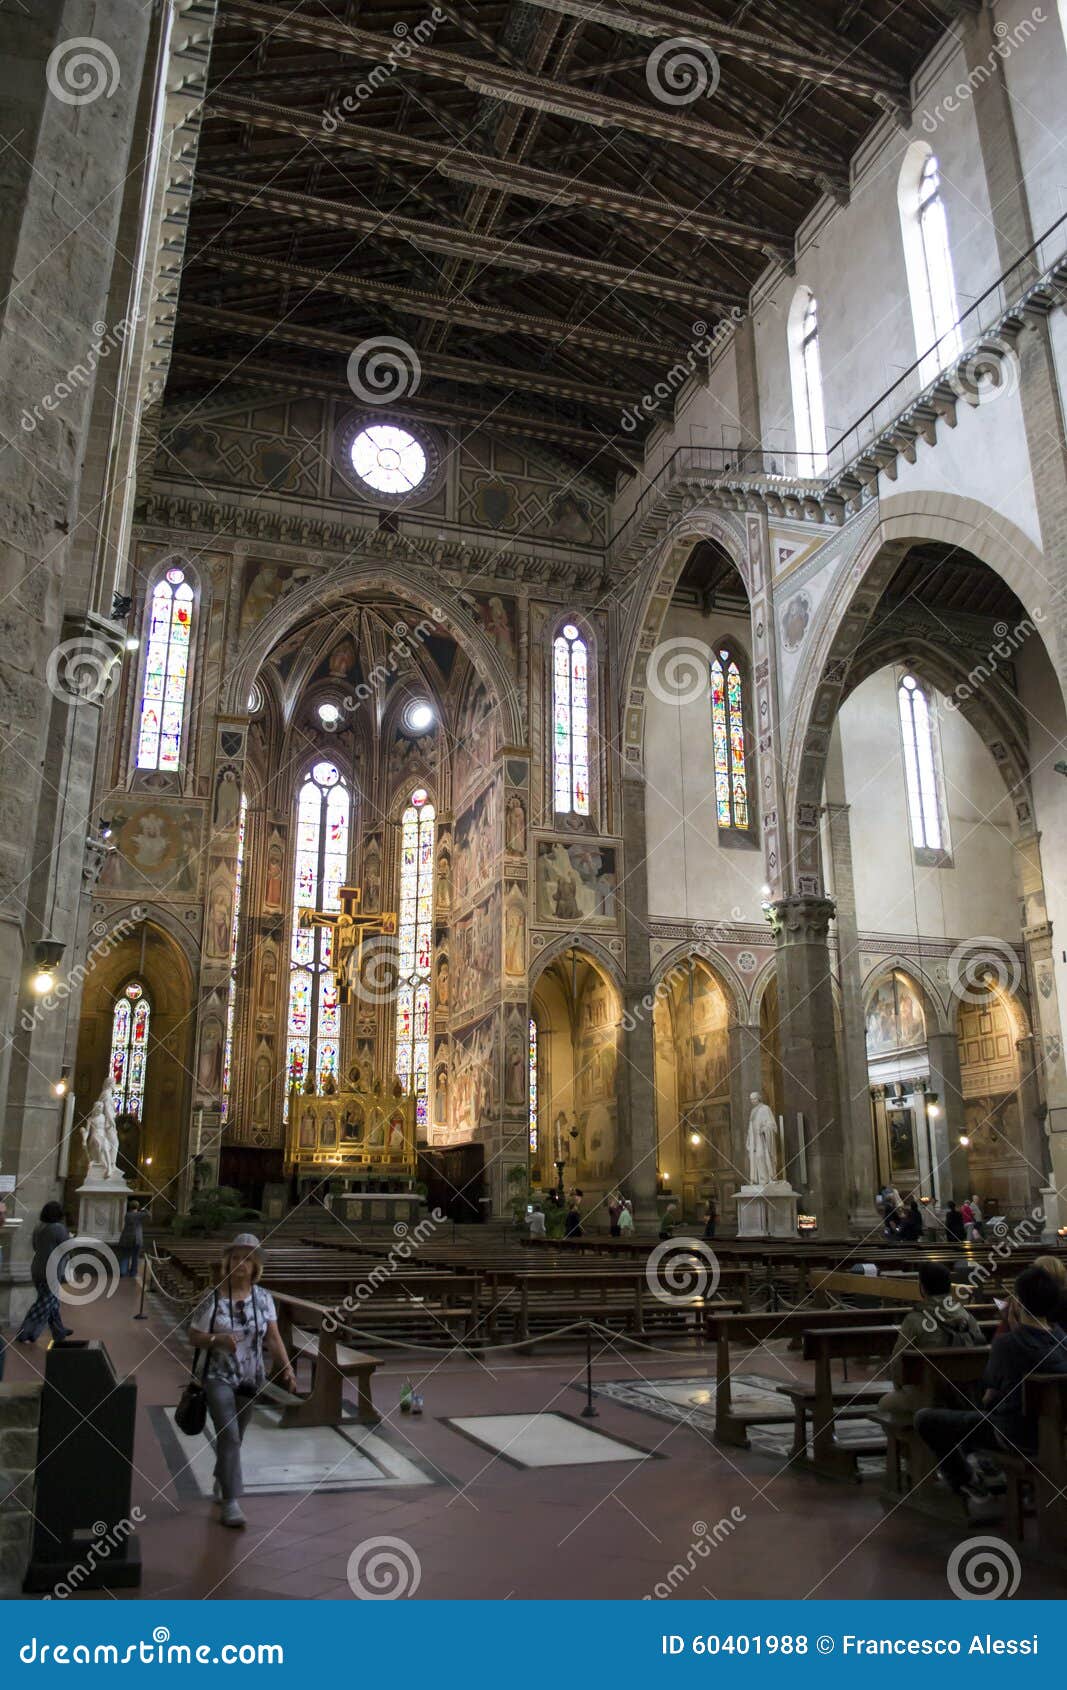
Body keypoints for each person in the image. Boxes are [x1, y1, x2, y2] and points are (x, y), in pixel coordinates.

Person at [915, 1265, 1067, 1509]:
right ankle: (982, 1466)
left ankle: (970, 1482)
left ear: (1017, 1302)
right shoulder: (1062, 1338)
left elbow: (988, 1394)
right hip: (1056, 1433)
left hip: (1015, 1435)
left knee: (927, 1419)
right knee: (969, 1419)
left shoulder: (1007, 1343)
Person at [188, 1233, 296, 1529]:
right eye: (236, 1258)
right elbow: (192, 1335)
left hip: (251, 1376)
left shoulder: (263, 1298)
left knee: (239, 1433)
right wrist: (217, 1339)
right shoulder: (211, 1297)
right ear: (228, 1262)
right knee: (230, 1434)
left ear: (256, 1266)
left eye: (248, 1259)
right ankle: (231, 1502)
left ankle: (222, 1475)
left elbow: (273, 1337)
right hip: (217, 1376)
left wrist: (286, 1367)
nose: (241, 1264)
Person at [876, 1262, 984, 1423]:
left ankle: (910, 1445)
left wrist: (900, 1386)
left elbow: (897, 1363)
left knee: (884, 1404)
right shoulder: (967, 1316)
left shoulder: (915, 1320)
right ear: (949, 1286)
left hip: (928, 1395)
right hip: (965, 1395)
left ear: (922, 1288)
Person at [15, 1202, 73, 1345]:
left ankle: (59, 1331)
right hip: (51, 1270)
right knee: (43, 1304)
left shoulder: (39, 1226)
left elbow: (35, 1246)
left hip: (37, 1267)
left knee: (50, 1301)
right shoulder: (58, 1228)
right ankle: (26, 1333)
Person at [117, 1200, 144, 1279]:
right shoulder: (139, 1215)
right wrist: (144, 1209)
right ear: (137, 1207)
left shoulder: (127, 1215)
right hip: (136, 1239)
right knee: (135, 1257)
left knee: (125, 1255)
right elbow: (149, 1215)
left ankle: (123, 1271)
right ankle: (133, 1273)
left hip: (126, 1238)